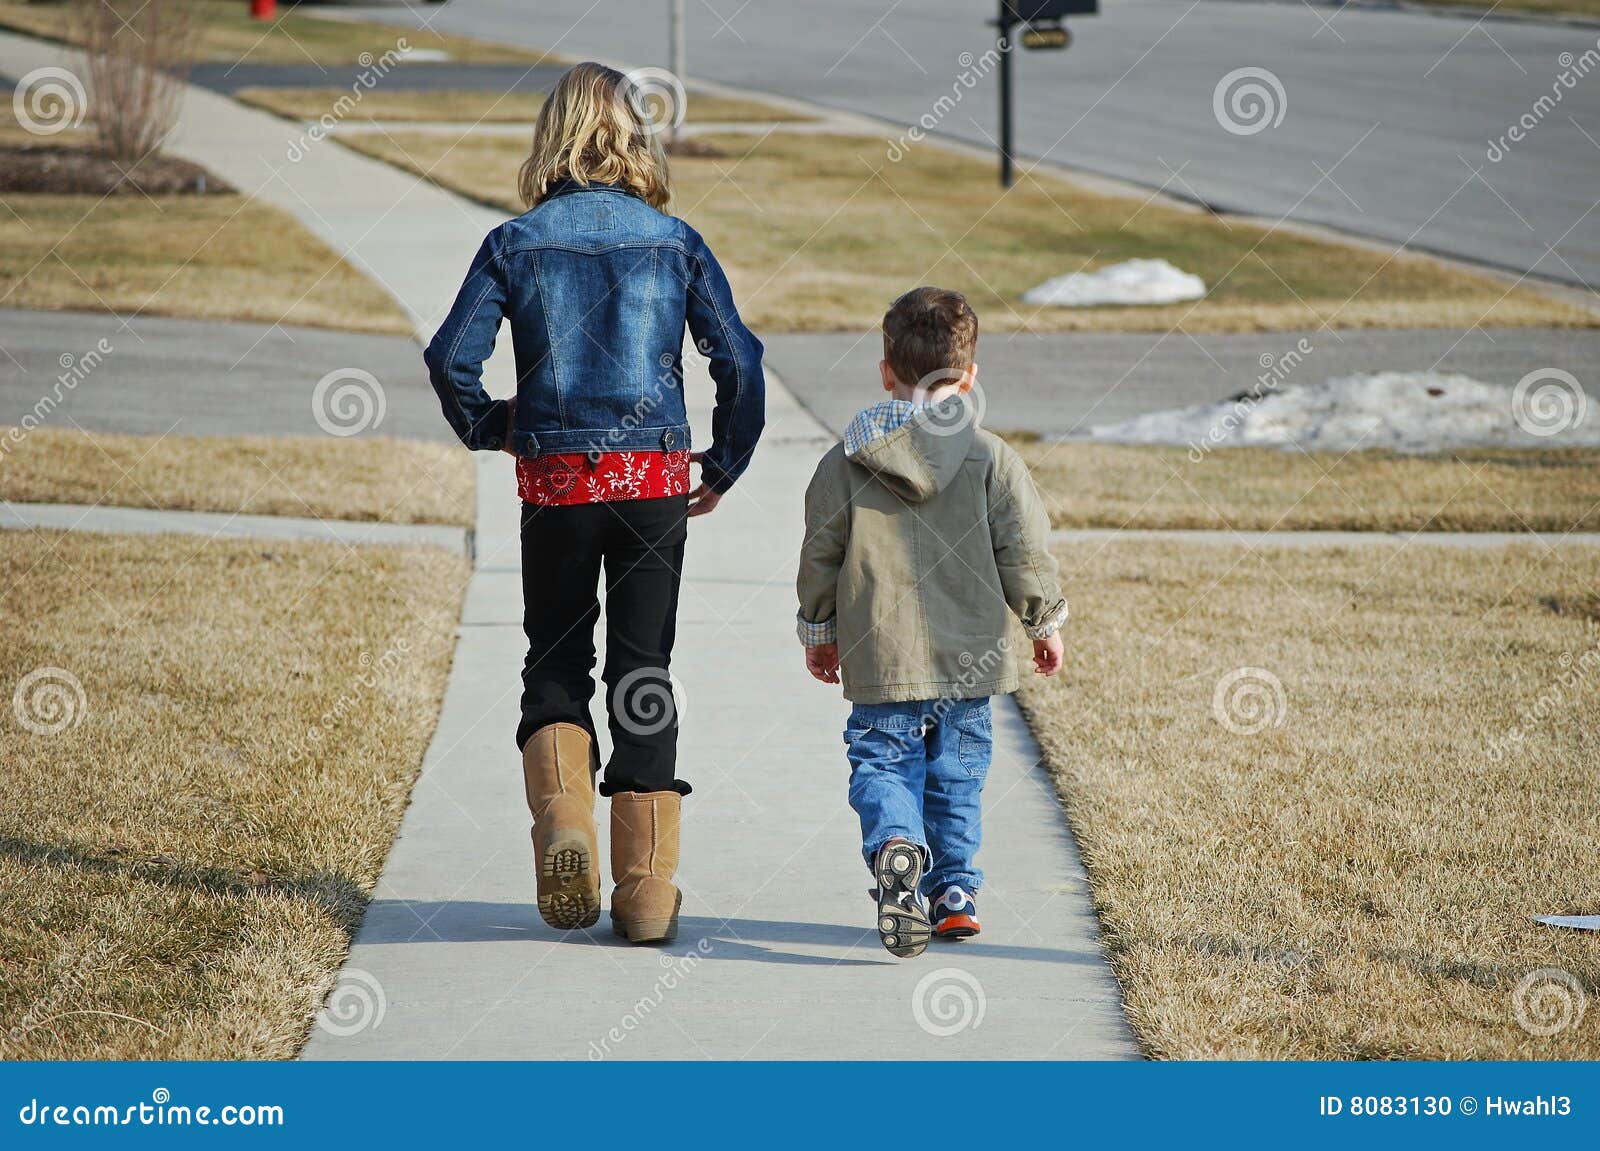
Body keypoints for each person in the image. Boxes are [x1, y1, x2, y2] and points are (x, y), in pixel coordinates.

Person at [425, 62, 765, 944]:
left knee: (556, 657)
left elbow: (448, 358)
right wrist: (722, 462)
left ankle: (564, 820)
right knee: (642, 667)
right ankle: (648, 893)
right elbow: (741, 360)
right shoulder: (675, 240)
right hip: (653, 483)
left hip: (557, 481)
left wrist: (500, 426)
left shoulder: (514, 242)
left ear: (553, 136)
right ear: (634, 136)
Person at [795, 287, 1065, 958]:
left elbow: (820, 552)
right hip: (968, 655)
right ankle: (954, 893)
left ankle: (894, 846)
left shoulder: (845, 462)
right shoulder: (990, 459)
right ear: (969, 376)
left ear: (886, 372)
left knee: (884, 759)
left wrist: (820, 629)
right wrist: (1043, 621)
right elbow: (1023, 549)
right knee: (958, 771)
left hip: (882, 653)